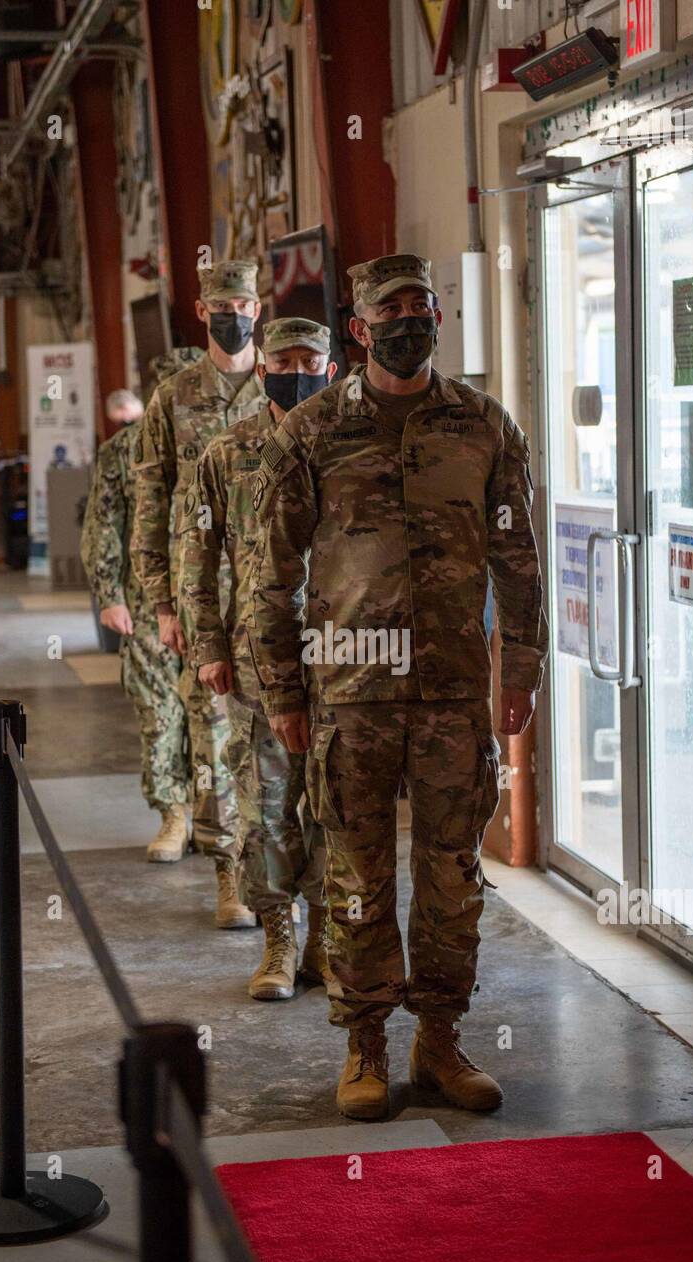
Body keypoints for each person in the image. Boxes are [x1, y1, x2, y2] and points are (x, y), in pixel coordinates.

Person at [248, 254, 548, 1120]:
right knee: (357, 874)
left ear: (439, 319)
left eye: (423, 306)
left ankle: (441, 1042)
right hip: (349, 693)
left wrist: (518, 672)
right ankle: (365, 1044)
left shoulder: (484, 427)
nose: (411, 320)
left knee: (454, 875)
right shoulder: (309, 433)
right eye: (393, 309)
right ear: (360, 326)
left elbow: (517, 562)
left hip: (454, 692)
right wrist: (283, 692)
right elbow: (270, 574)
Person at [180, 318, 336, 1001]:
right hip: (255, 665)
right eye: (284, 359)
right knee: (266, 808)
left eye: (310, 359)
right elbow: (197, 555)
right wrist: (208, 644)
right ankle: (279, 937)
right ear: (264, 367)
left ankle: (327, 939)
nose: (297, 369)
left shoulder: (355, 448)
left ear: (332, 368)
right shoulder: (227, 452)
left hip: (343, 660)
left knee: (335, 807)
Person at [131, 261, 267, 928]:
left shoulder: (289, 384)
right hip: (201, 600)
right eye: (222, 303)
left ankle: (292, 880)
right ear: (201, 308)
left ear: (260, 307)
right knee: (214, 740)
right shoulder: (173, 396)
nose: (233, 313)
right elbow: (148, 502)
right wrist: (160, 603)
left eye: (243, 301)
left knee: (284, 742)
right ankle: (231, 874)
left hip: (280, 599)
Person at [81, 361, 200, 863]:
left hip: (213, 605)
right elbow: (103, 523)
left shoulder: (222, 441)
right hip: (149, 606)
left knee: (215, 718)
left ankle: (217, 818)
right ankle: (173, 814)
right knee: (160, 713)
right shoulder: (124, 451)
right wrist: (109, 594)